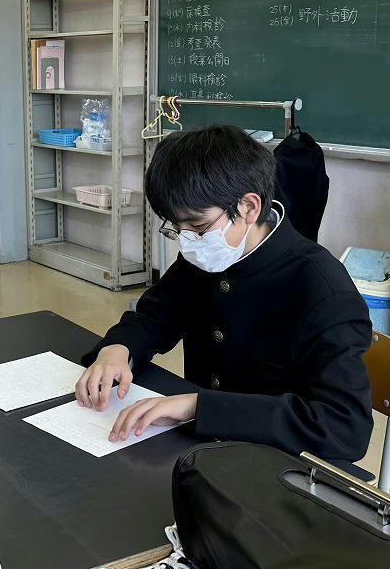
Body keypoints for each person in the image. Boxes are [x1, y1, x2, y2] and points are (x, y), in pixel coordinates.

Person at [75, 125, 373, 467]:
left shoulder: (321, 288)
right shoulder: (212, 252)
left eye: (197, 226)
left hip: (274, 465)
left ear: (248, 206)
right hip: (199, 454)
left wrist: (198, 406)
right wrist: (118, 350)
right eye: (176, 228)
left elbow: (345, 427)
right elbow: (155, 316)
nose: (186, 241)